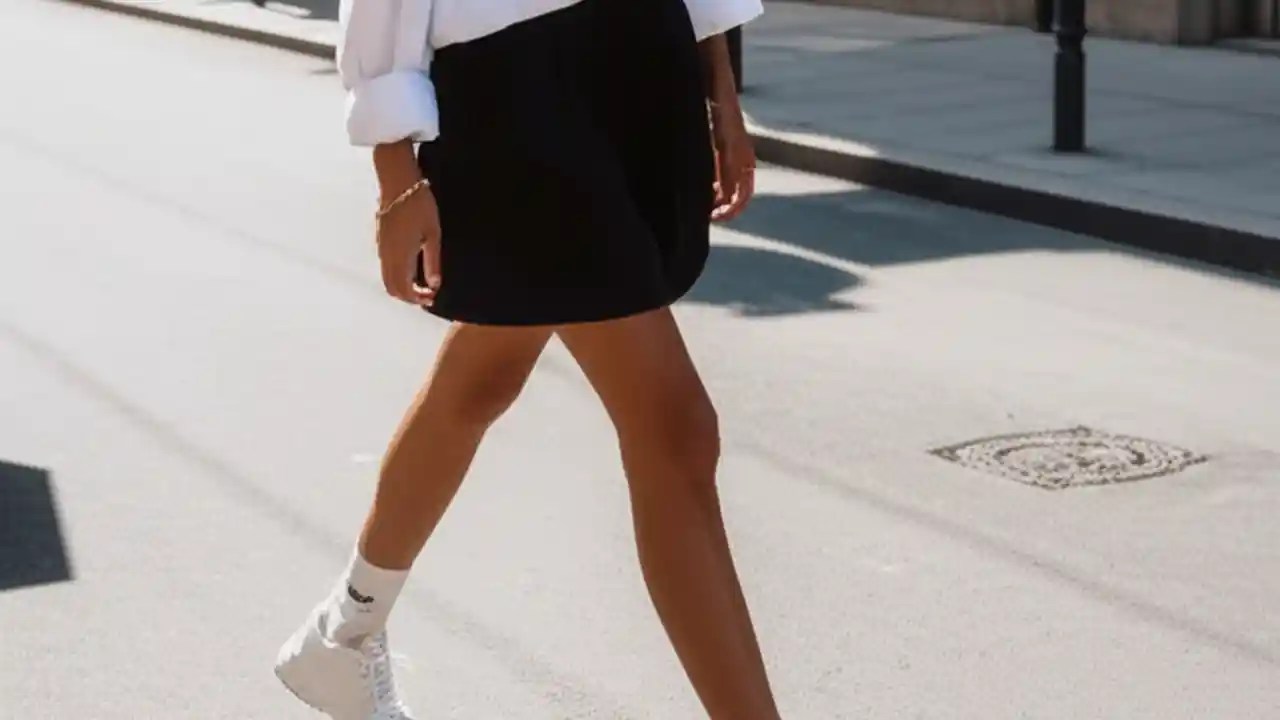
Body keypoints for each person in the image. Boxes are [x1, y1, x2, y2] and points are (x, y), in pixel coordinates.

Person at [273, 0, 779, 717]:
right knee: (676, 431)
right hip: (517, 86)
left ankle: (345, 635)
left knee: (484, 377)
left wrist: (719, 87)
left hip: (637, 59)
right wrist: (395, 165)